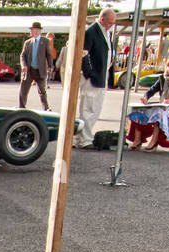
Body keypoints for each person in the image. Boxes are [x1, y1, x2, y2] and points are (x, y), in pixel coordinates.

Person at [127, 49, 169, 151]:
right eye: (168, 66)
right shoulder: (163, 77)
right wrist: (146, 97)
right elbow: (153, 89)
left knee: (160, 113)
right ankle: (137, 139)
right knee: (138, 111)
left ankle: (154, 141)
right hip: (163, 104)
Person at [75, 7, 116, 147]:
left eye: (113, 23)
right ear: (102, 19)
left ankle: (82, 137)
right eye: (110, 22)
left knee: (95, 108)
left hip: (102, 75)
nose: (111, 25)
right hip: (93, 77)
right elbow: (84, 54)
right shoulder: (92, 31)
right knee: (88, 107)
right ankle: (84, 139)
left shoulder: (106, 32)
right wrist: (90, 73)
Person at [19, 21, 51, 109]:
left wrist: (50, 66)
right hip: (29, 70)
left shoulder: (45, 41)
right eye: (33, 30)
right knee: (23, 90)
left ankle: (46, 108)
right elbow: (22, 55)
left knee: (42, 91)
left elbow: (48, 55)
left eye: (37, 30)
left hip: (40, 70)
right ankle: (21, 107)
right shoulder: (28, 42)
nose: (35, 31)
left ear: (40, 31)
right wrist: (23, 65)